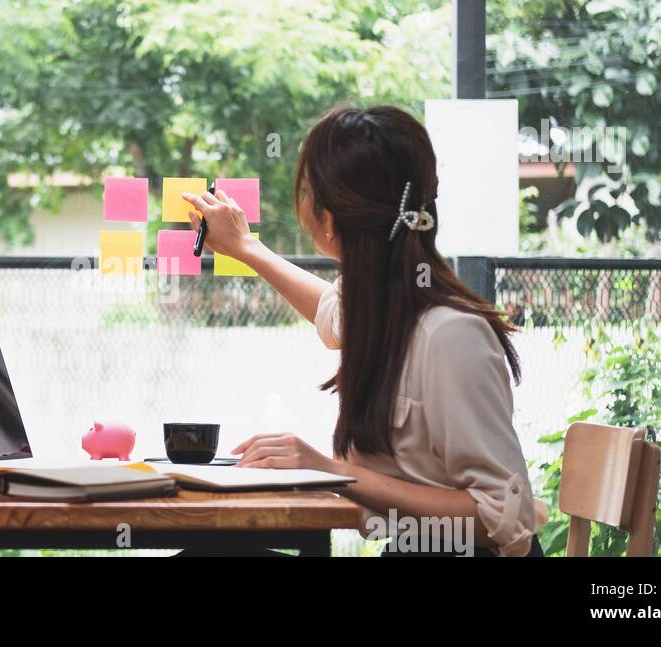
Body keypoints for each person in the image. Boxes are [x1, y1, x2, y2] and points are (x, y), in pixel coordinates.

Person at [181, 105, 545, 557]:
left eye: (308, 190)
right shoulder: (385, 310)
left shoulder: (451, 337)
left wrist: (330, 471)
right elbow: (329, 308)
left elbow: (503, 524)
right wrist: (244, 247)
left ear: (328, 221)